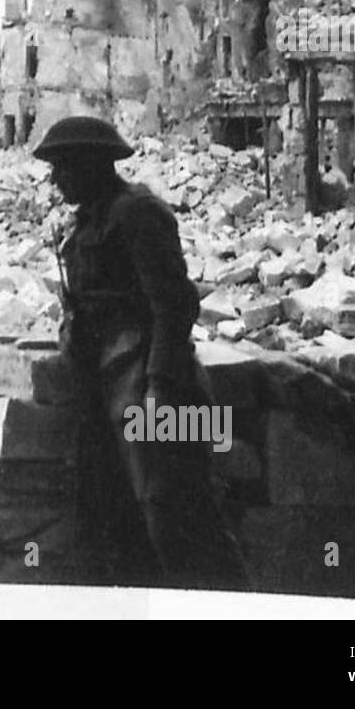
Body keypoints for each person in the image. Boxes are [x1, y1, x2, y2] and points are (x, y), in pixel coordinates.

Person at [34, 115, 249, 590]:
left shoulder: (138, 213)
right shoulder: (86, 224)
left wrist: (160, 386)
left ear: (93, 166)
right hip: (106, 388)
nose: (55, 179)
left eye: (64, 167)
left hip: (156, 389)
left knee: (178, 520)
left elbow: (174, 306)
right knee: (116, 525)